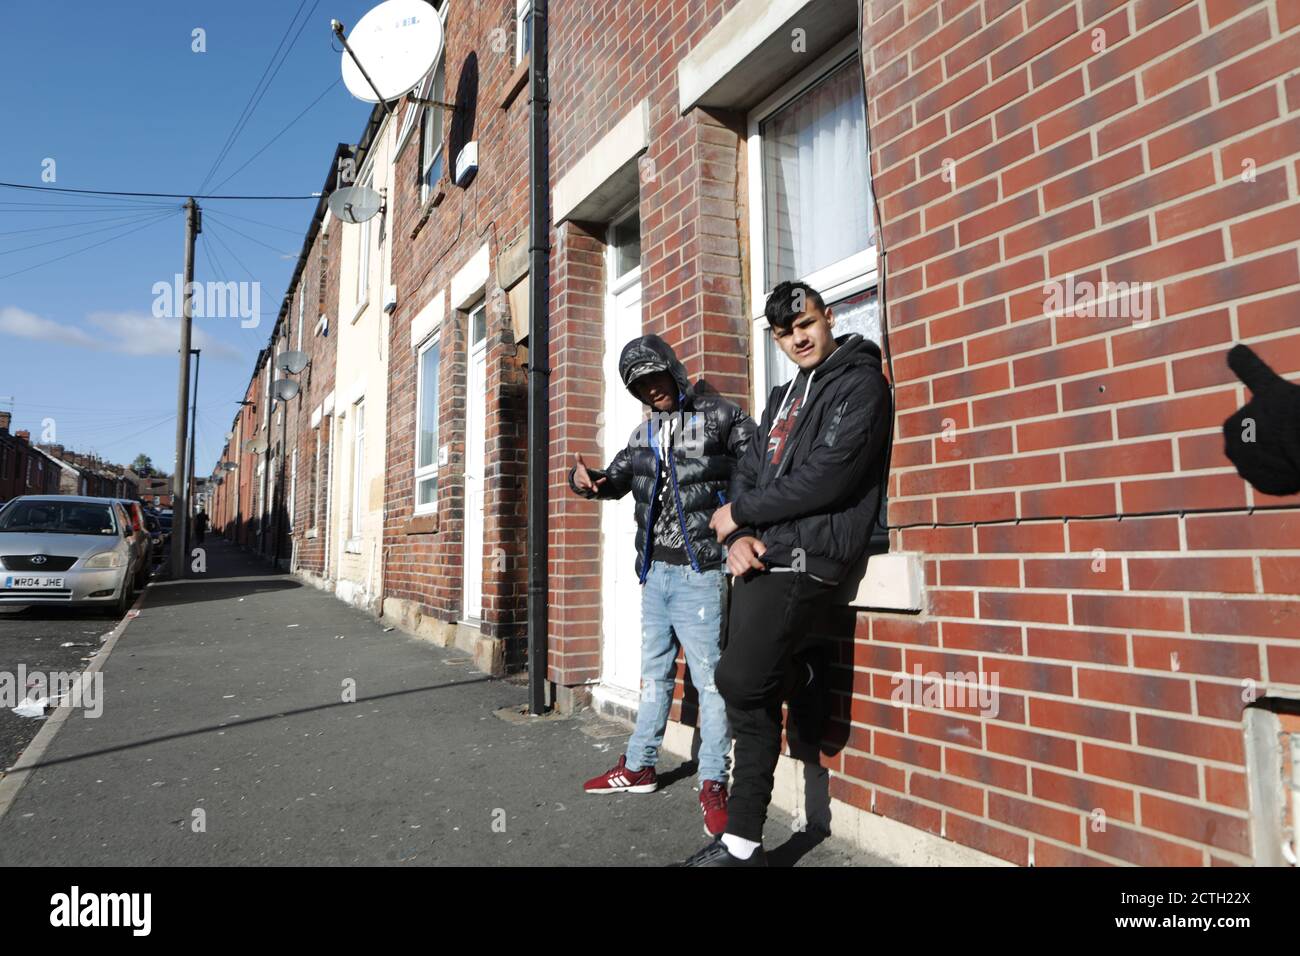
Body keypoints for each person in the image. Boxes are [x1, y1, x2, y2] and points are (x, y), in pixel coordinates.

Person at [680, 281, 891, 866]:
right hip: (764, 552)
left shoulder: (861, 384)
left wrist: (741, 513)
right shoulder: (782, 396)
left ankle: (801, 671)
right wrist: (739, 535)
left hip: (809, 556)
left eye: (806, 325)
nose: (798, 339)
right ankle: (743, 842)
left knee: (741, 680)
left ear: (829, 318)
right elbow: (748, 471)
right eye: (784, 334)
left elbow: (829, 477)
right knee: (749, 698)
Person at [570, 333, 755, 838]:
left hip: (702, 573)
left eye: (655, 378)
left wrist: (739, 519)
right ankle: (639, 766)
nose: (652, 390)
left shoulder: (717, 417)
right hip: (655, 573)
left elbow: (758, 462)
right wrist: (586, 481)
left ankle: (714, 781)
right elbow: (614, 479)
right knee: (653, 676)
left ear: (673, 371)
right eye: (640, 386)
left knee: (711, 682)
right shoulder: (643, 436)